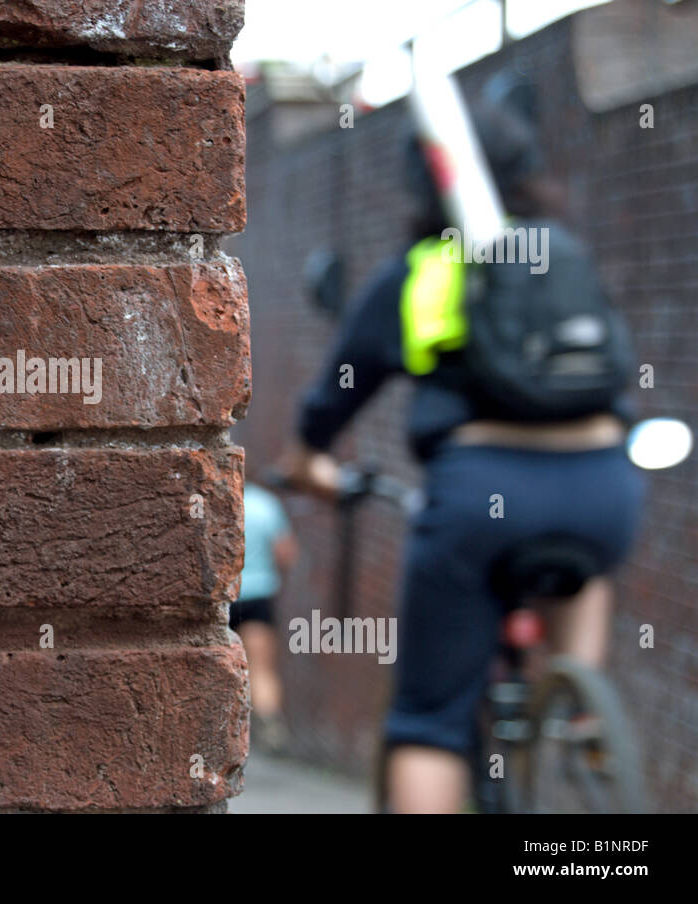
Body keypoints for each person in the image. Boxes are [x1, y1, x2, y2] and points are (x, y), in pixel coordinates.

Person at [276, 94, 644, 813]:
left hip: (482, 492)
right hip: (604, 485)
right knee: (583, 565)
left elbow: (325, 412)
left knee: (428, 719)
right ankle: (576, 713)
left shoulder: (420, 274)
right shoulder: (562, 256)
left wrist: (309, 470)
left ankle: (509, 734)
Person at [231, 480, 298, 753]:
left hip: (223, 597)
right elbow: (286, 554)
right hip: (259, 596)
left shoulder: (213, 499)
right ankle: (268, 718)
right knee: (260, 667)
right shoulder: (267, 504)